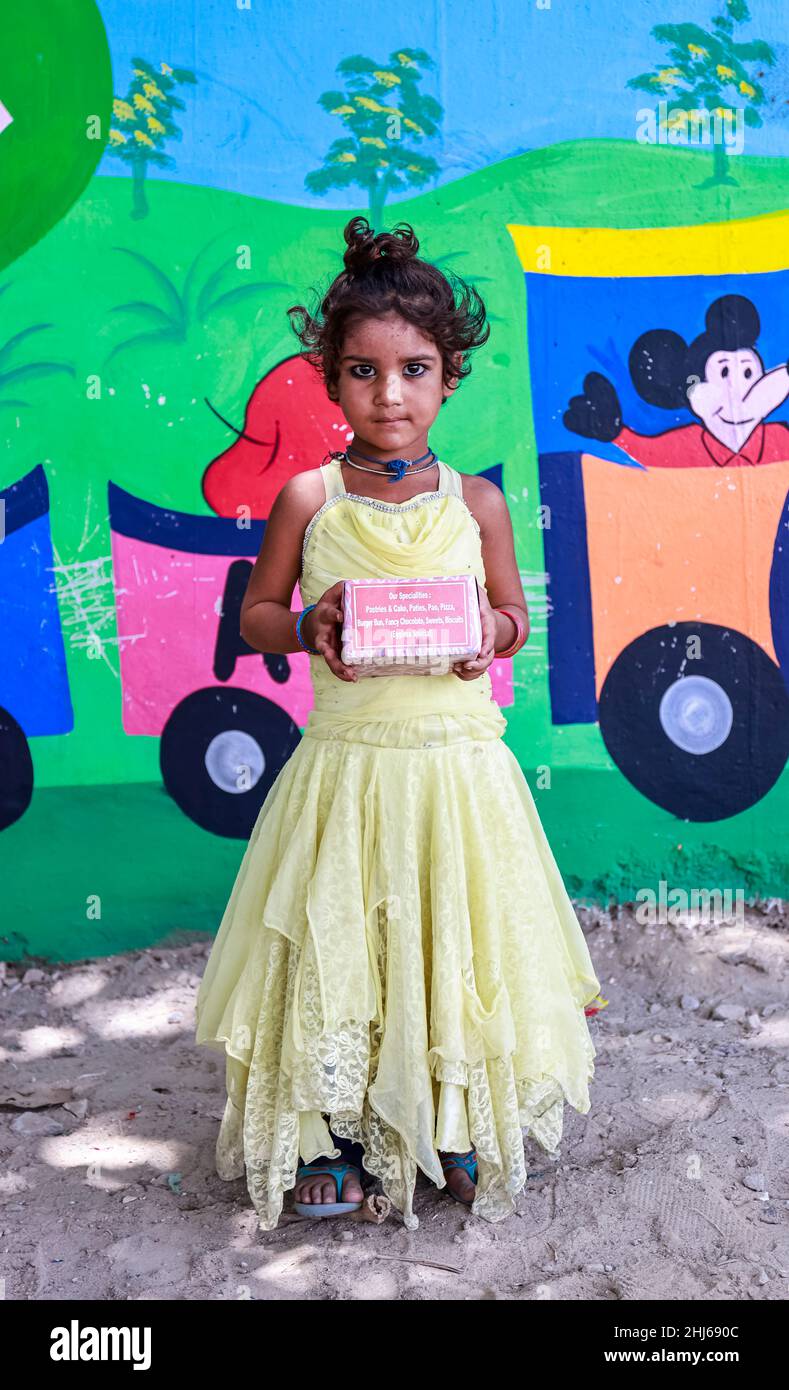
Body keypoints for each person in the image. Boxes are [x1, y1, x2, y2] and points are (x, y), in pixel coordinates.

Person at [194, 215, 602, 1231]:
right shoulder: (308, 499)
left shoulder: (477, 504)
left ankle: (454, 1117)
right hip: (347, 768)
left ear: (450, 377)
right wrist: (306, 622)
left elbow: (513, 616)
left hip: (458, 773)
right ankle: (331, 1133)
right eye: (364, 371)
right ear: (329, 379)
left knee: (455, 939)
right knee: (343, 940)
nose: (390, 394)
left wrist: (487, 634)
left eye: (414, 369)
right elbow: (249, 621)